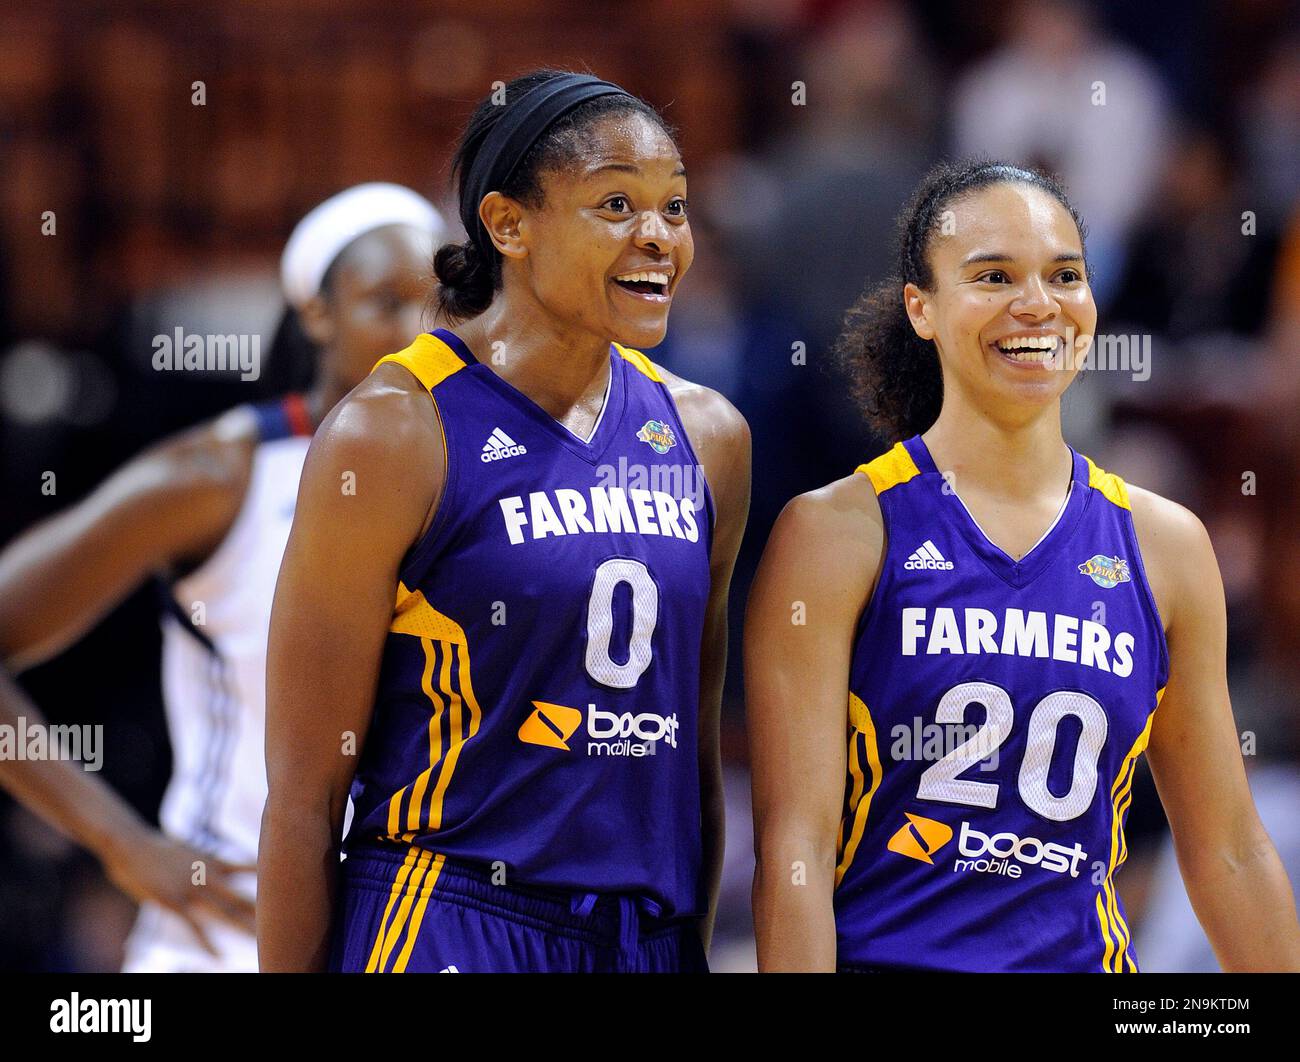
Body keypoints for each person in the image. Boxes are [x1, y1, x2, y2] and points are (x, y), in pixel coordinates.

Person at [745, 159, 1300, 972]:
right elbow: (794, 843)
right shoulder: (837, 532)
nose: (1037, 303)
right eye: (994, 275)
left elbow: (1229, 850)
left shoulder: (1167, 545)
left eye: (1065, 275)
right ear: (922, 309)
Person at [259, 70, 750, 974]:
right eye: (616, 204)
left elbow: (693, 757)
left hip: (647, 936)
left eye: (674, 208)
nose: (658, 237)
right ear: (508, 224)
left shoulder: (710, 435)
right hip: (450, 913)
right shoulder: (395, 430)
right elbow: (303, 791)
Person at [0, 182, 446, 971]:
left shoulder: (479, 475)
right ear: (317, 313)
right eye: (387, 302)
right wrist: (121, 843)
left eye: (440, 305)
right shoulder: (220, 473)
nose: (419, 334)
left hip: (416, 943)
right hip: (223, 942)